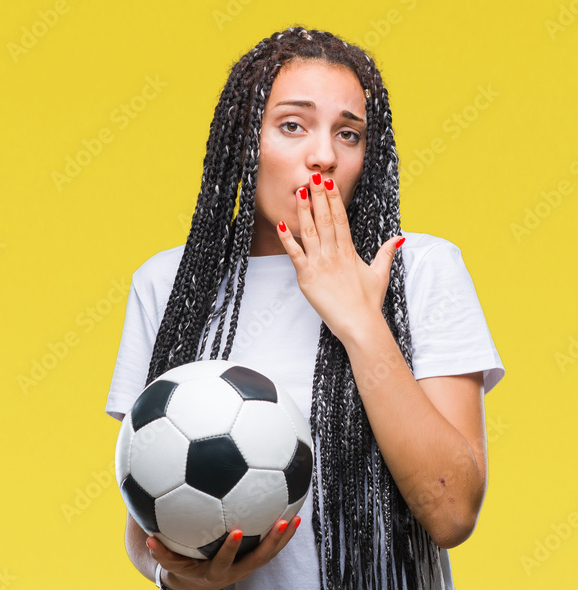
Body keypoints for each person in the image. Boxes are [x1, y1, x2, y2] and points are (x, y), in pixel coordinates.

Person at [104, 25, 505, 590]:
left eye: (349, 134)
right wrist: (188, 578)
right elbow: (144, 520)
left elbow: (452, 511)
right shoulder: (169, 284)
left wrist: (360, 320)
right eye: (293, 126)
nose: (324, 155)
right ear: (245, 140)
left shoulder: (417, 269)